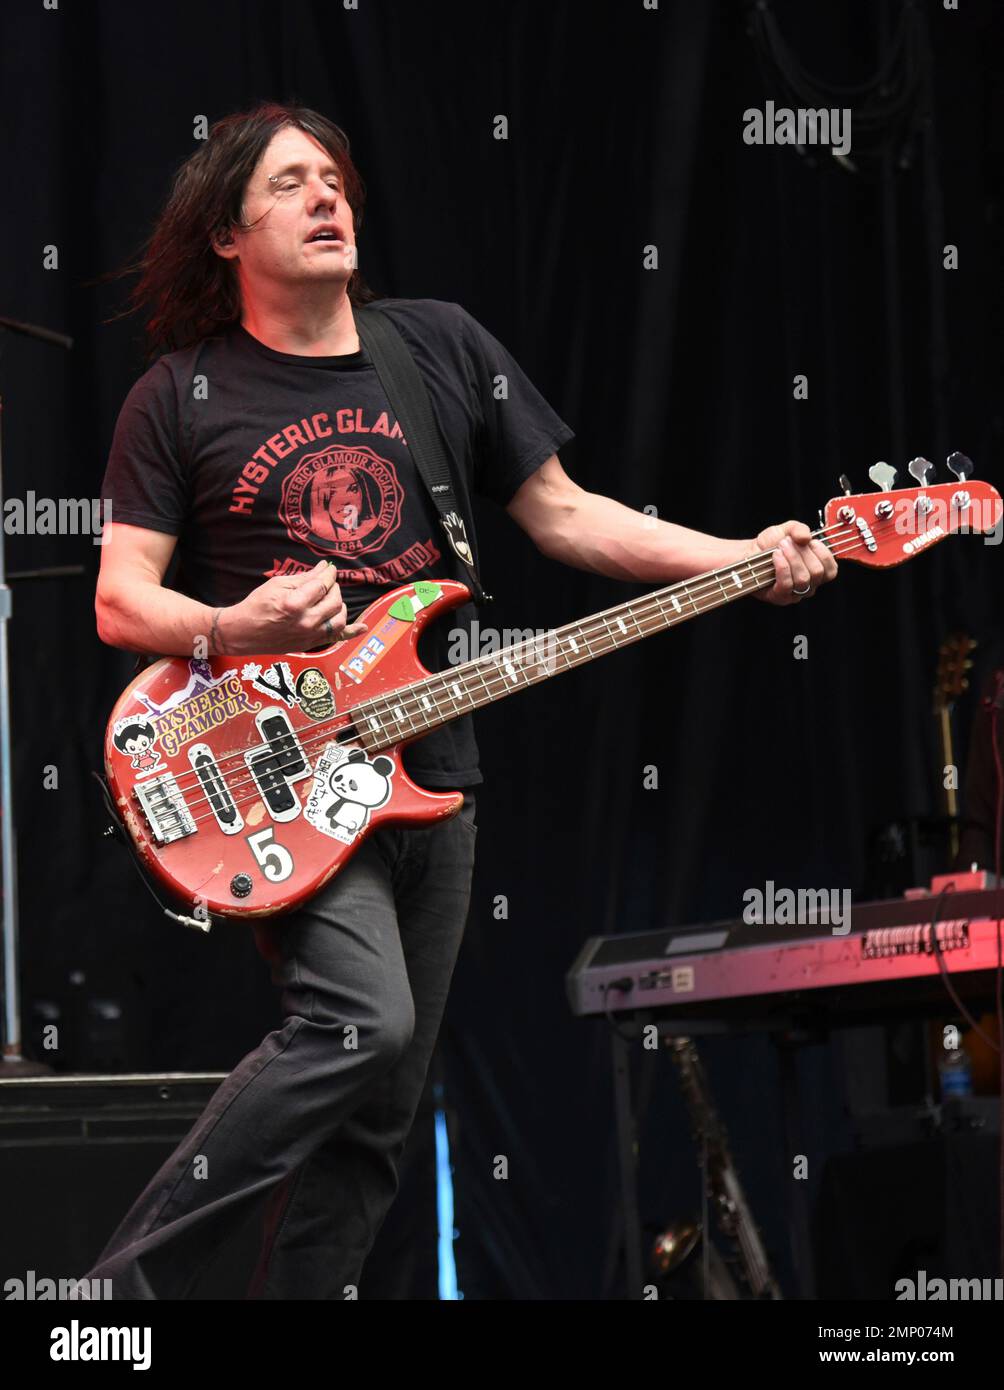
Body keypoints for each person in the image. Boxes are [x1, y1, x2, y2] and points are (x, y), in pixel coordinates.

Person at [86, 102, 837, 1299]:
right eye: (289, 185)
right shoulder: (177, 397)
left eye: (334, 179)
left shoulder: (432, 345)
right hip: (279, 781)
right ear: (226, 231)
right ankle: (116, 1285)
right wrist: (239, 625)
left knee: (375, 1126)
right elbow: (122, 603)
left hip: (431, 770)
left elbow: (568, 516)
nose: (327, 197)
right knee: (359, 1024)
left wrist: (742, 555)